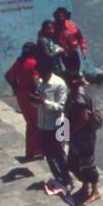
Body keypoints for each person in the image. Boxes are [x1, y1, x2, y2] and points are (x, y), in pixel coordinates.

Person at [33, 53, 71, 192]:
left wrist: (44, 102)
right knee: (48, 154)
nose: (40, 74)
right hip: (42, 124)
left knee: (60, 154)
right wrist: (35, 102)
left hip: (57, 125)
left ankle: (67, 179)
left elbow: (62, 107)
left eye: (42, 71)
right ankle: (58, 177)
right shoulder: (41, 83)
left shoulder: (59, 84)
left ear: (49, 70)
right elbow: (39, 103)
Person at [65, 74, 101, 204]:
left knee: (87, 164)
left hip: (84, 136)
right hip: (79, 135)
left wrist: (69, 131)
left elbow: (83, 119)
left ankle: (95, 191)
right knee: (76, 163)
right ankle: (85, 187)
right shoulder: (76, 95)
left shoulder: (79, 99)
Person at [4, 42, 43, 160]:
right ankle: (37, 150)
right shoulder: (33, 64)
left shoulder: (18, 61)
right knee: (37, 123)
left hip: (21, 95)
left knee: (30, 123)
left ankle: (30, 151)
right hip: (31, 96)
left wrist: (15, 88)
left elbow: (7, 76)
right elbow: (36, 81)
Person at [52, 7, 87, 78]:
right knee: (69, 73)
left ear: (66, 16)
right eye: (59, 16)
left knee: (76, 71)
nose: (61, 18)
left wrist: (83, 51)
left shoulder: (72, 25)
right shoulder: (52, 27)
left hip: (74, 52)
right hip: (62, 54)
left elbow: (80, 38)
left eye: (63, 16)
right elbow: (47, 40)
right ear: (56, 17)